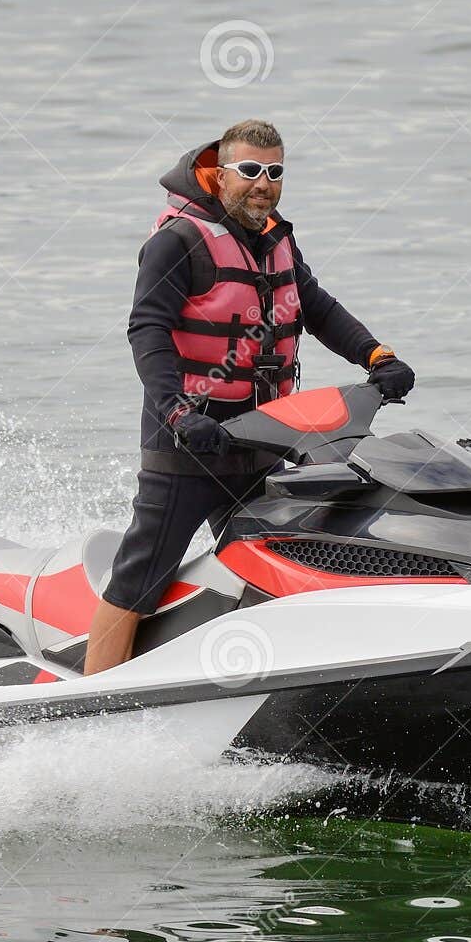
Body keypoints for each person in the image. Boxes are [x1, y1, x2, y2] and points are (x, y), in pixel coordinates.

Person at [84, 119, 416, 674]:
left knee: (292, 555)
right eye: (250, 170)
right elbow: (147, 331)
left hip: (265, 437)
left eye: (275, 171)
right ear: (219, 175)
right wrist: (178, 413)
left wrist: (377, 356)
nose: (264, 183)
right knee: (142, 575)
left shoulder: (277, 239)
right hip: (189, 442)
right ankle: (91, 699)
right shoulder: (176, 243)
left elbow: (316, 307)